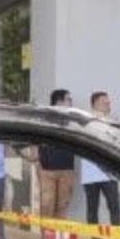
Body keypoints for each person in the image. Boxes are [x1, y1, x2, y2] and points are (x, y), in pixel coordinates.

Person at [81, 90, 120, 239]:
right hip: (90, 172)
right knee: (92, 208)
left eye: (108, 102)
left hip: (109, 172)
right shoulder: (86, 121)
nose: (108, 104)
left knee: (114, 206)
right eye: (104, 102)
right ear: (95, 104)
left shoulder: (112, 122)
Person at [33, 89, 78, 231]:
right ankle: (47, 236)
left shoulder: (71, 120)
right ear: (59, 101)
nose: (71, 103)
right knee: (47, 204)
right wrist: (36, 159)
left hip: (67, 168)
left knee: (63, 205)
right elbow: (34, 140)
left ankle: (59, 237)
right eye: (68, 99)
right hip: (47, 169)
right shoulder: (44, 118)